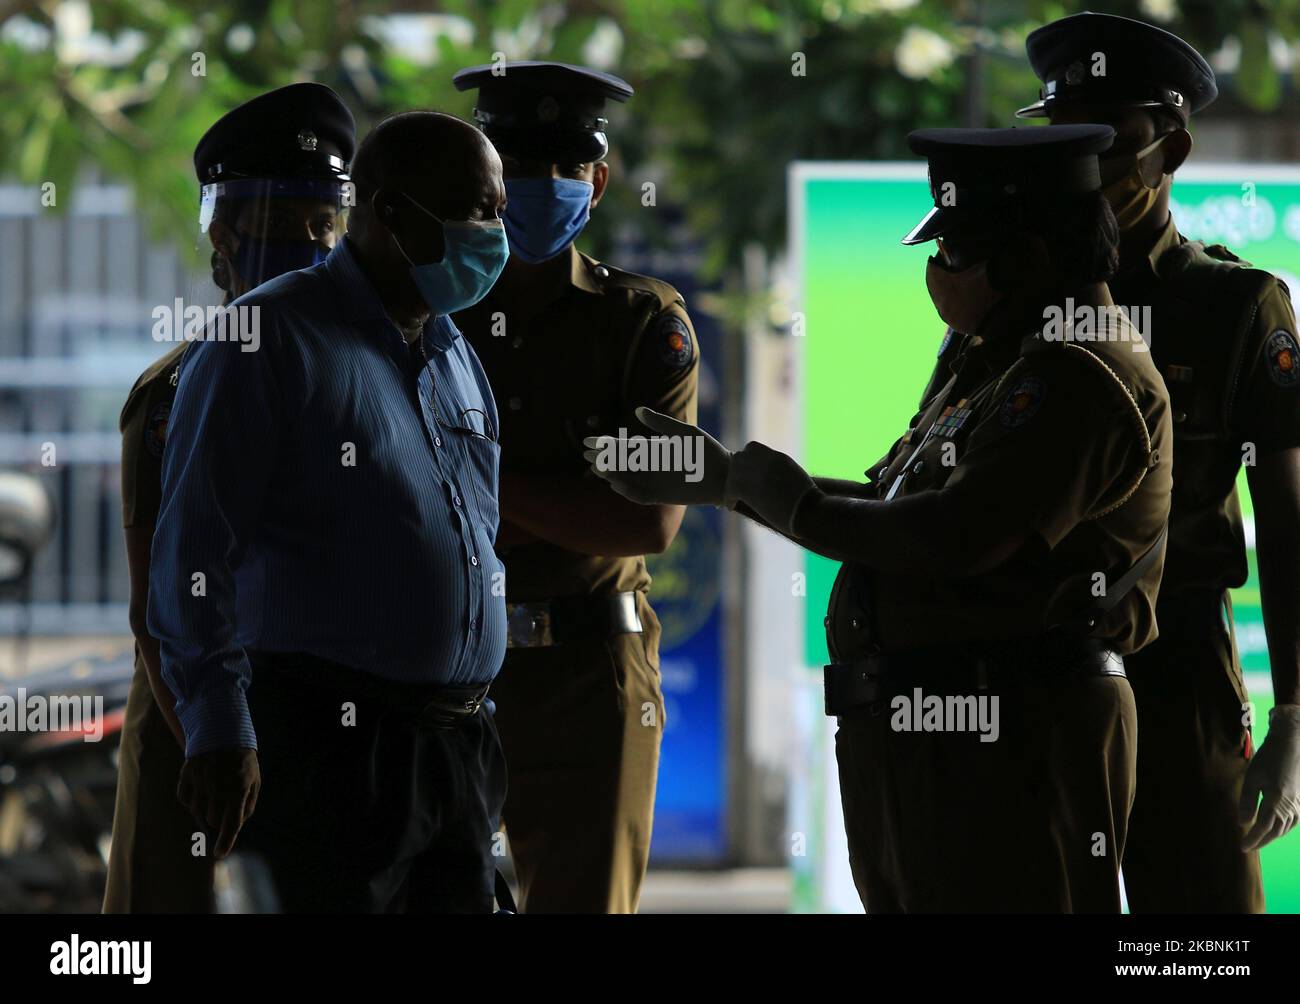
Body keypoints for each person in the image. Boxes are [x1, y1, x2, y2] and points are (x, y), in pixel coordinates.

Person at [587, 125, 1173, 912]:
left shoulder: (1078, 380)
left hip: (1016, 739)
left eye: (958, 253)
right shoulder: (999, 361)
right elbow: (903, 504)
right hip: (939, 739)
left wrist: (780, 497)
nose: (938, 272)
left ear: (1030, 258)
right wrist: (728, 480)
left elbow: (951, 537)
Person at [147, 110, 511, 912]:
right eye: (474, 209)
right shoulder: (266, 338)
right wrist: (217, 726)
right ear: (388, 212)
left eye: (496, 211)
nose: (493, 232)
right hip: (329, 747)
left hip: (457, 751)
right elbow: (193, 554)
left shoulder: (455, 354)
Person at [1019, 11, 1300, 912]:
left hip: (1178, 663)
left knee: (1202, 935)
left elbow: (1287, 518)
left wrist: (1294, 715)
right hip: (1040, 656)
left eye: (1110, 144)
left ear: (1168, 149)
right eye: (1065, 141)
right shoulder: (1019, 302)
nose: (1083, 169)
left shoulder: (1237, 306)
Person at [448, 61, 699, 913]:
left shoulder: (641, 322)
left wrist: (471, 484)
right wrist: (565, 501)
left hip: (593, 680)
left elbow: (647, 522)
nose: (543, 186)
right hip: (446, 666)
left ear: (598, 181)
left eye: (567, 166)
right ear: (482, 178)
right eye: (519, 166)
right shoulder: (425, 319)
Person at [104, 82, 354, 913]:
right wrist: (217, 749)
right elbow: (157, 606)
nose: (306, 243)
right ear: (222, 234)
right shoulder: (176, 391)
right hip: (195, 733)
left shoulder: (372, 378)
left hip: (322, 729)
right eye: (279, 221)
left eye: (323, 223)